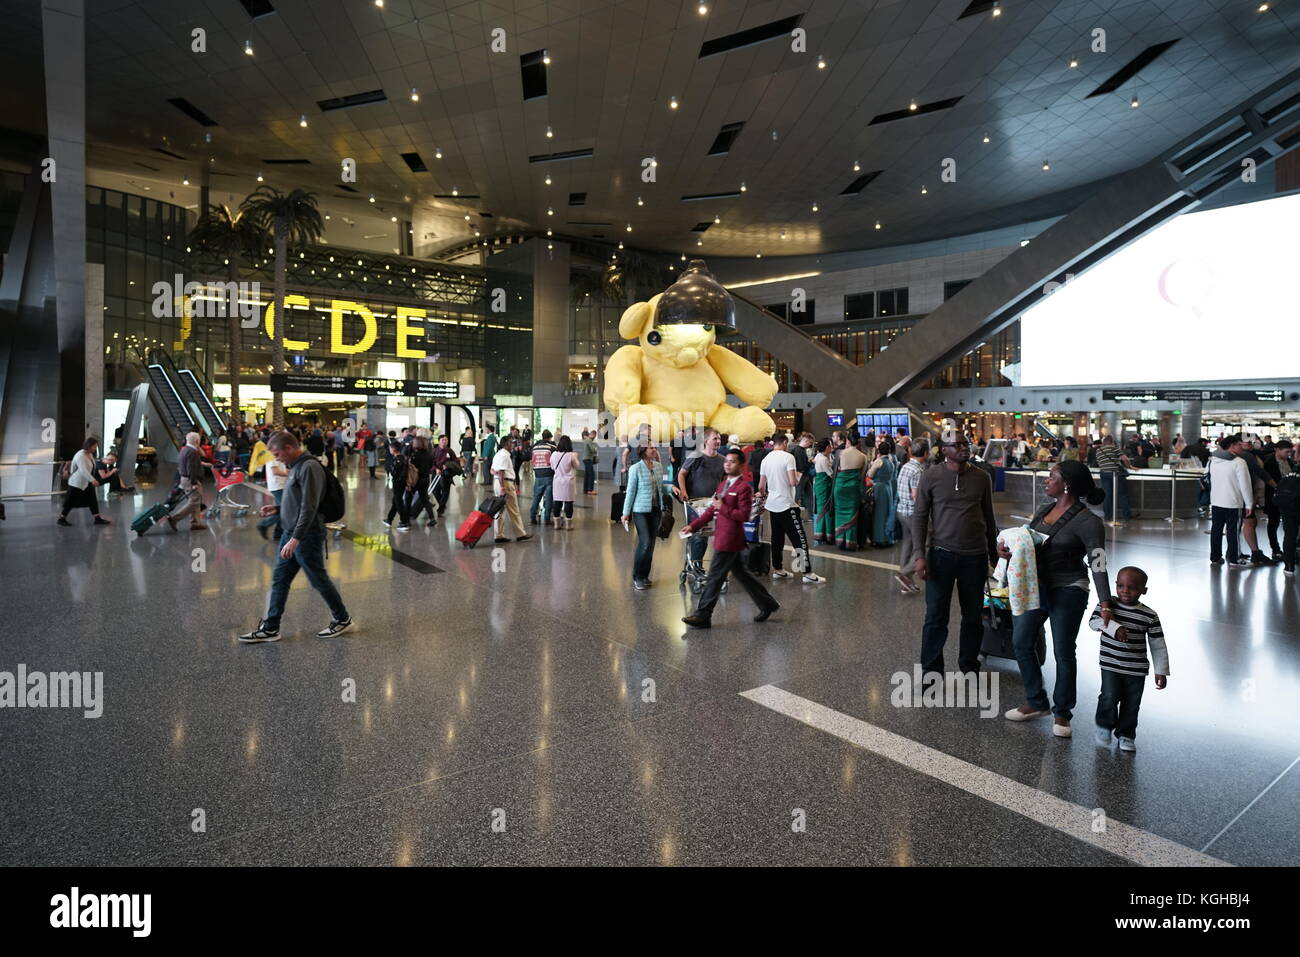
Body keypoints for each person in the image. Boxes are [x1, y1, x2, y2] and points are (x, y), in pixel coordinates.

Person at [1000, 462, 1112, 738]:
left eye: (1052, 477)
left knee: (1063, 651)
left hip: (1069, 588)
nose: (1046, 481)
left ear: (1067, 484)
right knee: (1021, 641)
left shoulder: (1090, 522)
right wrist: (1006, 550)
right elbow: (1027, 541)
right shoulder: (1044, 511)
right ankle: (1036, 702)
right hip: (1035, 585)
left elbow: (1098, 564)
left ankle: (1062, 713)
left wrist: (1106, 602)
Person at [239, 431, 352, 643]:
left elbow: (309, 507)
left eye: (277, 453)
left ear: (289, 448)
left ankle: (342, 618)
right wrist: (278, 508)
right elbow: (298, 500)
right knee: (280, 578)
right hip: (293, 532)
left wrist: (295, 539)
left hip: (306, 535)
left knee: (318, 579)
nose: (276, 458)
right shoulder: (295, 466)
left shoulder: (309, 467)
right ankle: (271, 627)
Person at [912, 433, 998, 675]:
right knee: (936, 617)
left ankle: (969, 664)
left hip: (975, 557)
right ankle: (931, 671)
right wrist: (919, 555)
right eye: (957, 445)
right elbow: (920, 517)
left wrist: (994, 554)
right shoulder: (931, 476)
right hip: (941, 556)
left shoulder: (982, 477)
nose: (964, 448)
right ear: (944, 450)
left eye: (965, 444)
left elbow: (989, 518)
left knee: (973, 616)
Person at [680, 449, 780, 628]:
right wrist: (693, 525)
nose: (727, 464)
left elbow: (743, 515)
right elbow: (712, 509)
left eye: (732, 461)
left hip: (730, 540)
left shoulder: (744, 489)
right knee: (742, 575)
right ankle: (768, 604)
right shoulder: (723, 484)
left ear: (742, 466)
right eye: (726, 461)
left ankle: (703, 615)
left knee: (715, 577)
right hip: (722, 536)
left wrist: (722, 506)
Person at [1089, 566, 1168, 753]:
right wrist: (1113, 628)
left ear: (1143, 590)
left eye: (1131, 587)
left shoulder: (1149, 615)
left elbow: (1158, 644)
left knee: (1132, 704)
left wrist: (1161, 670)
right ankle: (1104, 726)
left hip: (1136, 669)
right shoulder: (1107, 606)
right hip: (1110, 664)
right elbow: (1093, 622)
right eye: (1120, 586)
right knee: (1109, 696)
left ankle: (1126, 734)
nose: (1125, 591)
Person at [760, 433, 825, 584]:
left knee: (777, 538)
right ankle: (807, 572)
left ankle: (778, 569)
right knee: (799, 539)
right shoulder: (788, 457)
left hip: (773, 505)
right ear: (783, 442)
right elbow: (793, 482)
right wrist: (798, 475)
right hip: (786, 504)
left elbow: (761, 486)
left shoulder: (766, 459)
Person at [677, 427, 726, 577]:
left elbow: (724, 478)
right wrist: (684, 491)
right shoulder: (696, 456)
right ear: (706, 441)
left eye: (719, 438)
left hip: (712, 504)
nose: (718, 441)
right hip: (695, 503)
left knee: (708, 535)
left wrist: (721, 493)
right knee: (699, 535)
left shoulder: (722, 460)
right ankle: (696, 566)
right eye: (714, 439)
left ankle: (696, 564)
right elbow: (682, 474)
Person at [621, 444, 668, 590]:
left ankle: (645, 575)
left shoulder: (658, 466)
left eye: (654, 447)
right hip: (640, 510)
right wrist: (625, 513)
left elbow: (661, 487)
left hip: (656, 510)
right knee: (645, 542)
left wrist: (671, 488)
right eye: (650, 448)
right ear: (643, 451)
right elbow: (630, 492)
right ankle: (637, 576)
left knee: (651, 544)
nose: (654, 450)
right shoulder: (636, 468)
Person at [1209, 434, 1255, 567]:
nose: (1242, 447)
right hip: (1233, 503)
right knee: (1233, 531)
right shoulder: (1239, 462)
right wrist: (1249, 504)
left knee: (1216, 529)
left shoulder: (1213, 460)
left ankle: (1215, 557)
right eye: (1239, 444)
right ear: (1232, 446)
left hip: (1216, 501)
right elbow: (1245, 485)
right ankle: (1234, 559)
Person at [894, 439, 929, 593]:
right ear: (926, 453)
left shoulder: (906, 466)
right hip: (913, 514)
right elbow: (916, 496)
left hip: (901, 510)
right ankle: (905, 573)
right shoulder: (918, 470)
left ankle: (905, 583)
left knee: (908, 544)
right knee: (926, 543)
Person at [58, 437, 111, 526]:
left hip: (86, 482)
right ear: (89, 446)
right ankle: (61, 518)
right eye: (94, 446)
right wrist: (93, 480)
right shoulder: (80, 455)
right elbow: (83, 470)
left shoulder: (89, 454)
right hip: (76, 483)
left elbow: (91, 467)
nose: (95, 448)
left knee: (92, 500)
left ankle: (97, 518)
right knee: (70, 501)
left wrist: (91, 479)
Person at [166, 431, 209, 532]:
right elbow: (191, 468)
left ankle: (195, 523)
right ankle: (174, 519)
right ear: (196, 441)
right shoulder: (192, 452)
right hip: (190, 480)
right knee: (194, 502)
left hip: (184, 479)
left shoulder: (184, 449)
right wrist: (194, 483)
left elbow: (187, 464)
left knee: (196, 501)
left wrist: (201, 464)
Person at [491, 437, 531, 544]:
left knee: (500, 510)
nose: (512, 445)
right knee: (514, 509)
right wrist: (503, 486)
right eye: (511, 443)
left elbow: (492, 470)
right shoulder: (504, 456)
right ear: (506, 444)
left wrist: (498, 480)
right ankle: (520, 534)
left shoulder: (498, 454)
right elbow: (501, 472)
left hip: (497, 483)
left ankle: (498, 535)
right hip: (505, 483)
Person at [833, 436, 867, 549]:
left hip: (840, 487)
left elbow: (835, 470)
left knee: (839, 513)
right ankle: (850, 541)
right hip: (853, 488)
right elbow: (862, 476)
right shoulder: (863, 456)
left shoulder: (840, 453)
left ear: (848, 441)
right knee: (852, 514)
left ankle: (839, 540)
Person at [1263, 439, 1293, 561]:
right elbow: (1269, 479)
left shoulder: (1289, 461)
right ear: (1277, 450)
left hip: (1289, 499)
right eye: (1287, 452)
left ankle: (1290, 549)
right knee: (1273, 523)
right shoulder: (1269, 462)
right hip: (1274, 498)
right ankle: (1275, 549)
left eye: (1290, 452)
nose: (1289, 454)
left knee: (1289, 525)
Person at [869, 437, 898, 546]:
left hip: (880, 487)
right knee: (887, 512)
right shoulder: (891, 461)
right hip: (888, 487)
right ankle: (888, 537)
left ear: (879, 450)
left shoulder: (879, 461)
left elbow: (870, 474)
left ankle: (879, 538)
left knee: (879, 513)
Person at [1096, 434, 1132, 520]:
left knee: (1107, 495)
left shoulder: (1098, 450)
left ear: (1103, 442)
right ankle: (1126, 516)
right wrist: (1128, 467)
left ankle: (1108, 516)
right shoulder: (1114, 448)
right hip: (1115, 474)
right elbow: (1125, 459)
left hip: (1104, 473)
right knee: (1122, 494)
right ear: (1112, 442)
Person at [549, 435, 580, 529]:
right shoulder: (571, 455)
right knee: (568, 503)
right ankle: (568, 525)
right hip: (568, 482)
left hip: (557, 481)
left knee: (557, 503)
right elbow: (577, 465)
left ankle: (556, 524)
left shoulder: (553, 454)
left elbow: (552, 467)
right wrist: (576, 456)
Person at [527, 430, 557, 525]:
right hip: (549, 474)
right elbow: (554, 460)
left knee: (537, 496)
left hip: (538, 474)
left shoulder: (535, 448)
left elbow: (532, 460)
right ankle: (547, 518)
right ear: (550, 438)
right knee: (549, 497)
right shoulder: (552, 448)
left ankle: (532, 517)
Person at [258, 452, 289, 540]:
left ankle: (278, 534)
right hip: (278, 486)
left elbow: (283, 469)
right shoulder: (272, 455)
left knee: (281, 509)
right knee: (284, 510)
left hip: (281, 485)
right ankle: (264, 525)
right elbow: (275, 471)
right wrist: (292, 474)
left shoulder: (278, 454)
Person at [383, 438, 412, 531]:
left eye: (390, 448)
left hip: (398, 483)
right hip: (401, 483)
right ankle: (389, 519)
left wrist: (391, 469)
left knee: (398, 502)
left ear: (394, 449)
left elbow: (395, 473)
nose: (389, 450)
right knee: (395, 501)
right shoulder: (403, 458)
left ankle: (404, 522)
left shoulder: (398, 460)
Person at [812, 438, 836, 545]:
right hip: (824, 485)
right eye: (830, 446)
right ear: (827, 447)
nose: (832, 447)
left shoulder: (819, 456)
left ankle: (821, 532)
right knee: (825, 509)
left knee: (822, 508)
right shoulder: (824, 460)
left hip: (819, 484)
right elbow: (831, 474)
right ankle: (825, 533)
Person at [430, 434, 457, 516]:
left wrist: (448, 466)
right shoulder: (434, 451)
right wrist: (436, 469)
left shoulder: (450, 451)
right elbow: (430, 463)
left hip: (446, 474)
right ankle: (442, 504)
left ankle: (441, 509)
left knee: (445, 491)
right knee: (435, 491)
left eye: (446, 440)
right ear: (439, 441)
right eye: (443, 440)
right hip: (436, 473)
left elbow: (455, 461)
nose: (445, 441)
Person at [582, 429, 600, 495]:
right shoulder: (589, 440)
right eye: (595, 436)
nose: (594, 438)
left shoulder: (585, 440)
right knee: (591, 475)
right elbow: (592, 450)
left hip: (585, 458)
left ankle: (585, 489)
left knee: (587, 475)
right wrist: (595, 449)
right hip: (588, 459)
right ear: (593, 434)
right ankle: (590, 490)